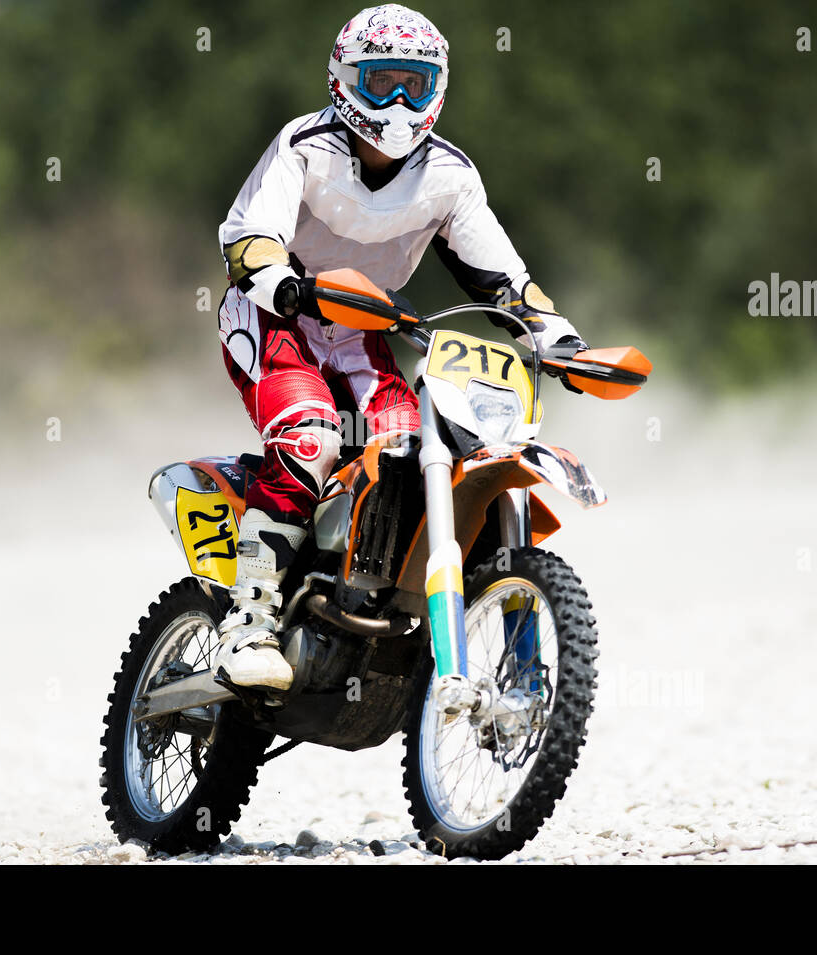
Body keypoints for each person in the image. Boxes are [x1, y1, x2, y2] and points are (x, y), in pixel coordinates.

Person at [213, 3, 588, 690]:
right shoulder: (305, 147)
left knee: (415, 453)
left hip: (363, 332)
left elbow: (507, 281)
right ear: (341, 79)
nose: (394, 101)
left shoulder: (451, 177)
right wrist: (287, 285)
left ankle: (405, 600)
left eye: (413, 84)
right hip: (276, 318)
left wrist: (559, 337)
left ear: (437, 89)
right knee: (311, 437)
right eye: (379, 80)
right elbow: (247, 237)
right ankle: (250, 621)